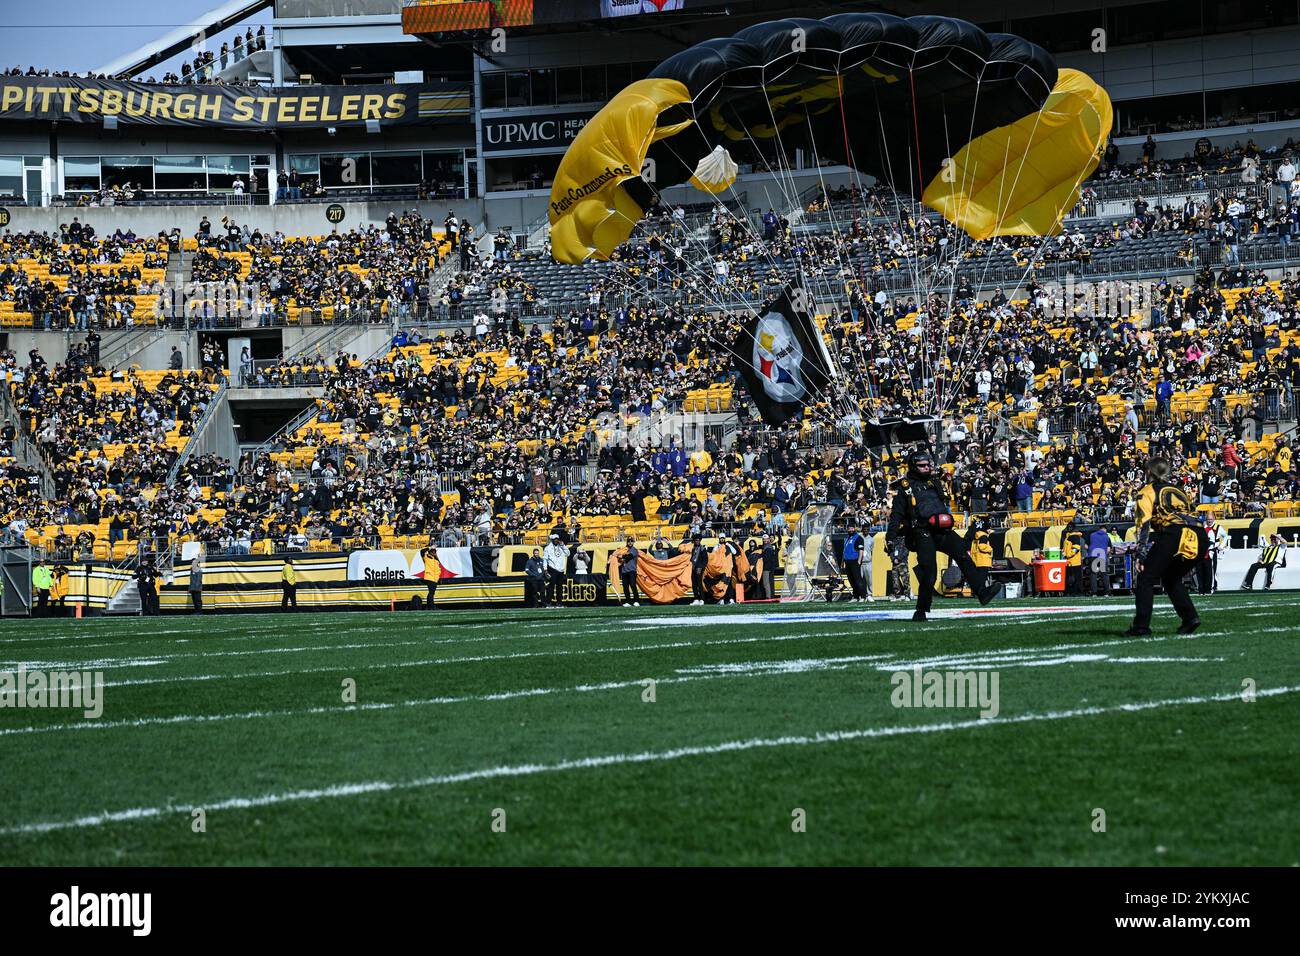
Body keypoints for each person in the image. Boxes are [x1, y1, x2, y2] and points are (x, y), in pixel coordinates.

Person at [886, 449, 998, 622]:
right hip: (921, 532)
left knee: (963, 553)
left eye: (927, 464)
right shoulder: (905, 489)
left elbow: (942, 499)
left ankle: (982, 592)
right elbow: (896, 515)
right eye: (922, 465)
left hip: (942, 530)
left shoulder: (934, 482)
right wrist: (890, 537)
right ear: (914, 467)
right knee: (930, 571)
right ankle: (921, 610)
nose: (926, 467)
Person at [1124, 459, 1205, 636]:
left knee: (1146, 578)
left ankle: (1141, 627)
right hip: (1199, 534)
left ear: (1149, 472)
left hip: (1174, 533)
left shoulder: (1145, 492)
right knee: (1171, 577)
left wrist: (1141, 554)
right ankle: (1190, 618)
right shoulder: (1178, 490)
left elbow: (1143, 525)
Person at [842, 521, 868, 601]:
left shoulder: (858, 538)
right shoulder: (847, 538)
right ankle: (855, 596)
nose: (850, 530)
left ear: (855, 529)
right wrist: (843, 562)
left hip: (855, 561)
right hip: (847, 562)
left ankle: (863, 596)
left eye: (852, 528)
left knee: (858, 580)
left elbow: (861, 550)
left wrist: (859, 561)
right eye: (849, 528)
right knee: (851, 580)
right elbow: (844, 551)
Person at [543, 534, 568, 608]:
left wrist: (563, 546)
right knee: (551, 587)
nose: (557, 540)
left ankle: (559, 603)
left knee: (560, 587)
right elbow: (545, 559)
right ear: (552, 540)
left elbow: (568, 553)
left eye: (557, 539)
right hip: (552, 569)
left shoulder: (561, 547)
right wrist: (545, 569)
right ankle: (548, 603)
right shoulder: (547, 548)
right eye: (555, 539)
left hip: (561, 569)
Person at [619, 537, 641, 606]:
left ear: (633, 542)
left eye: (631, 541)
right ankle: (628, 602)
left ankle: (636, 601)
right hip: (624, 571)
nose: (630, 542)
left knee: (633, 585)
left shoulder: (634, 550)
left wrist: (621, 556)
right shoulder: (623, 549)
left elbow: (629, 556)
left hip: (632, 570)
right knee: (625, 587)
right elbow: (617, 556)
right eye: (629, 541)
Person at [689, 532, 710, 605]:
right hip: (693, 568)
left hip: (699, 569)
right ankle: (696, 599)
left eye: (698, 540)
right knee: (694, 584)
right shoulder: (693, 548)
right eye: (696, 540)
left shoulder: (702, 549)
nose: (697, 541)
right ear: (694, 541)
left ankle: (702, 599)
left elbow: (705, 560)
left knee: (699, 584)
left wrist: (700, 567)